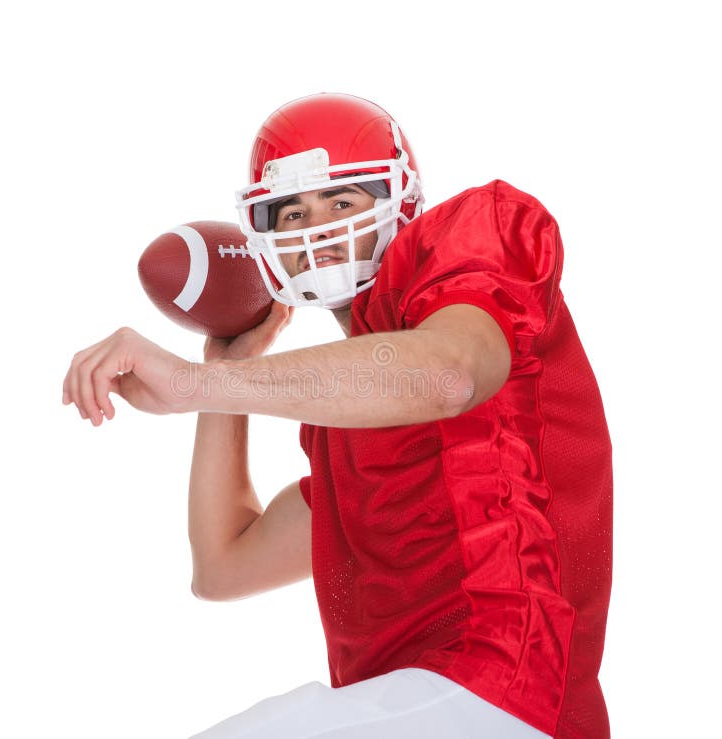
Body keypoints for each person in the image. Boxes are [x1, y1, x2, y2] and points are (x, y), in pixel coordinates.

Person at [62, 93, 612, 738]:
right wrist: (224, 369)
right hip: (426, 706)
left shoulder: (475, 234)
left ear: (400, 203)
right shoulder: (350, 418)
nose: (316, 225)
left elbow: (448, 373)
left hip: (498, 689)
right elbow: (224, 566)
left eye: (342, 201)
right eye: (292, 211)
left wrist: (191, 382)